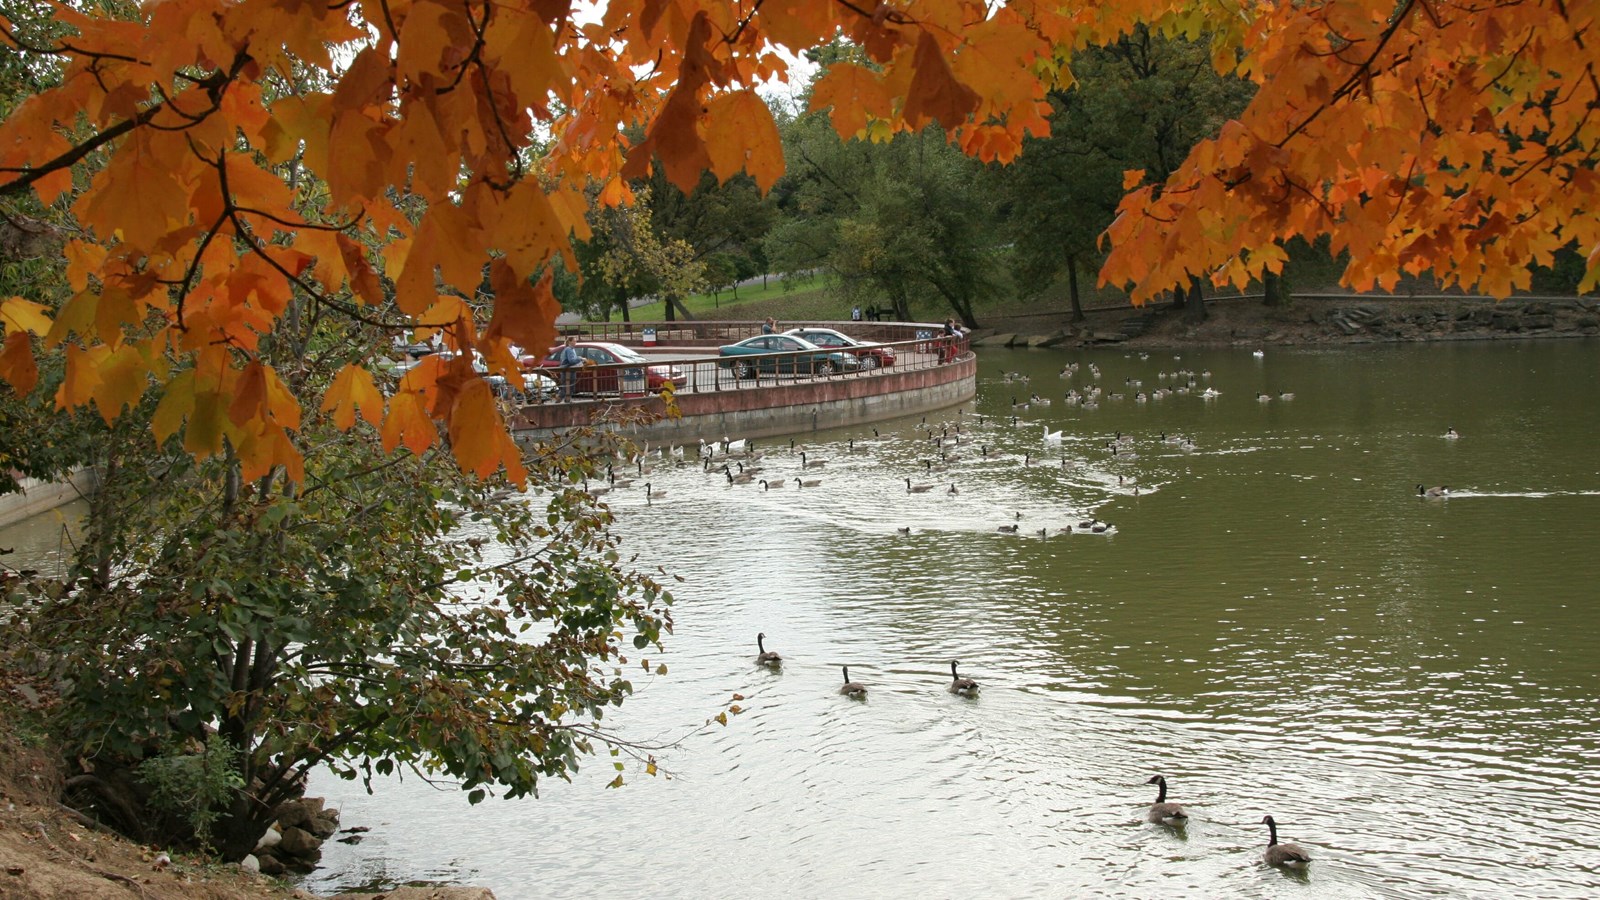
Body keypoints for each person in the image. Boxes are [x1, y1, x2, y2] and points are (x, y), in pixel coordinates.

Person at [555, 335, 581, 401]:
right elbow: (572, 361)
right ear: (570, 342)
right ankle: (562, 399)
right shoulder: (569, 349)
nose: (575, 342)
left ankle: (565, 399)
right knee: (568, 386)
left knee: (567, 386)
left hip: (568, 370)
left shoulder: (569, 349)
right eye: (574, 341)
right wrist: (580, 358)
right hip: (568, 370)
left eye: (575, 341)